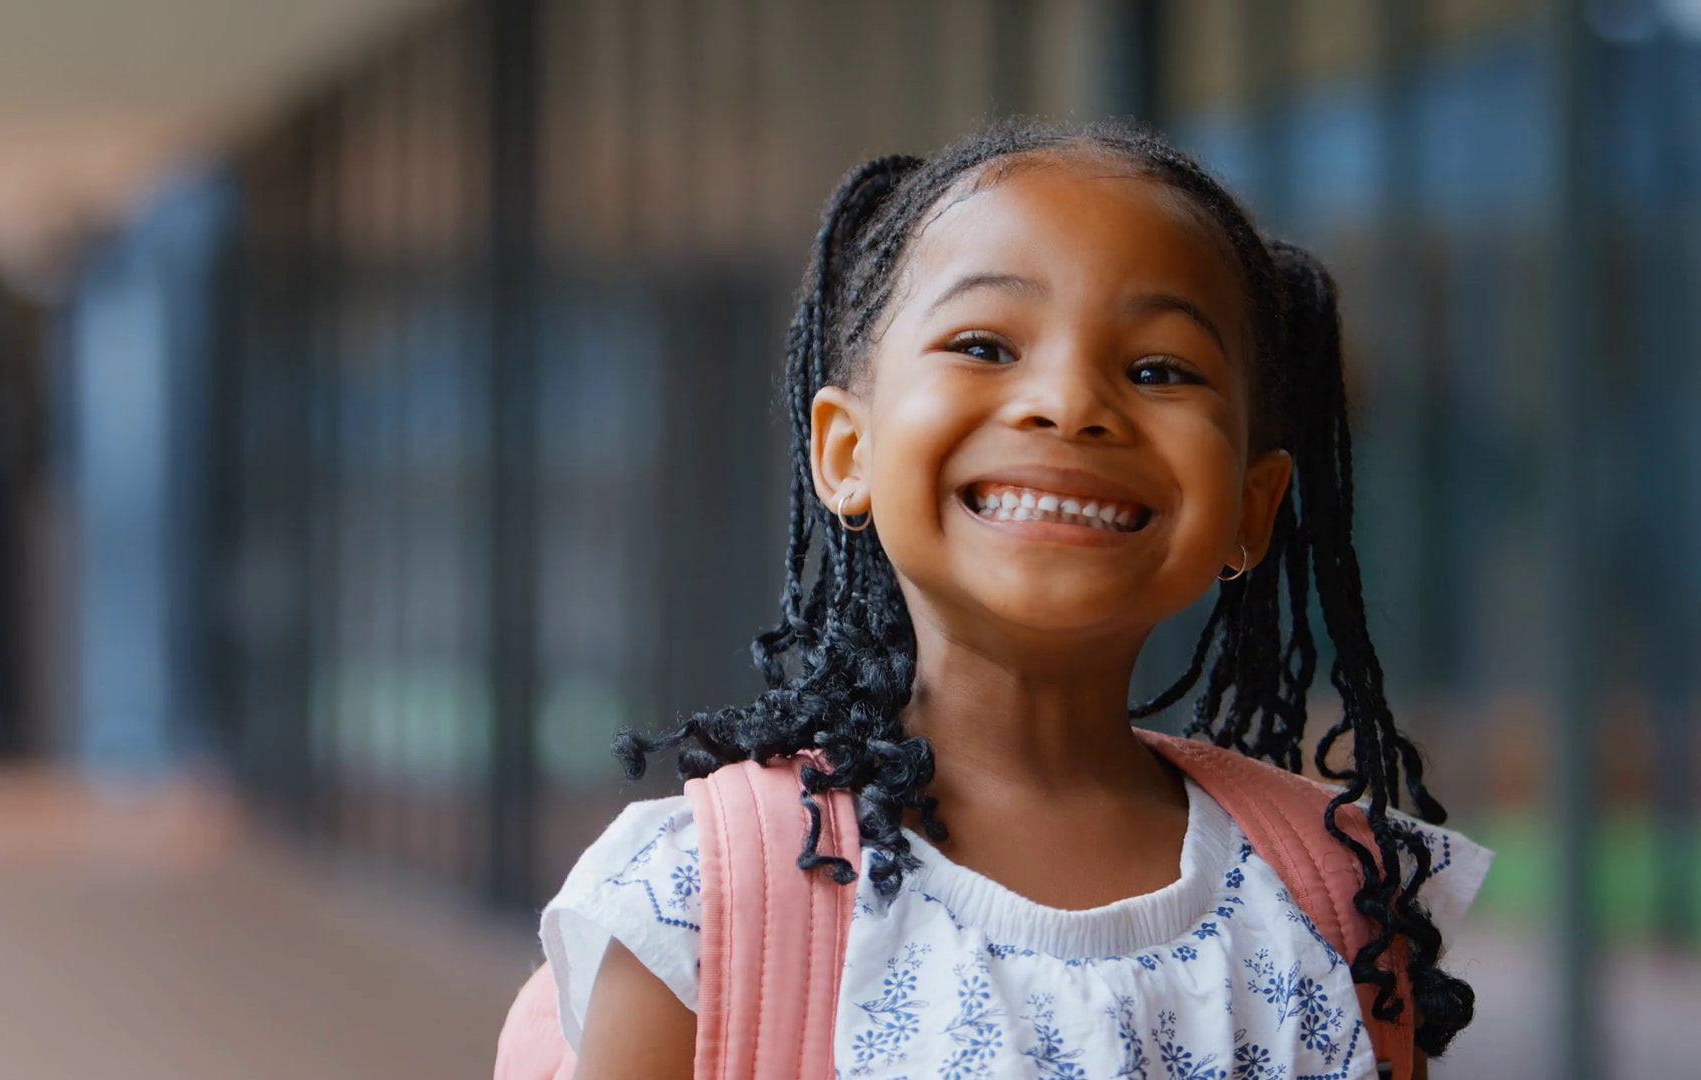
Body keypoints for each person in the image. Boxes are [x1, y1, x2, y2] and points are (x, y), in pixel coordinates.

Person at [541, 120, 1490, 1079]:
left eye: (1159, 369)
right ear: (847, 454)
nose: (1070, 400)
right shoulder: (710, 897)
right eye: (986, 345)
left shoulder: (1336, 901)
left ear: (1252, 504)